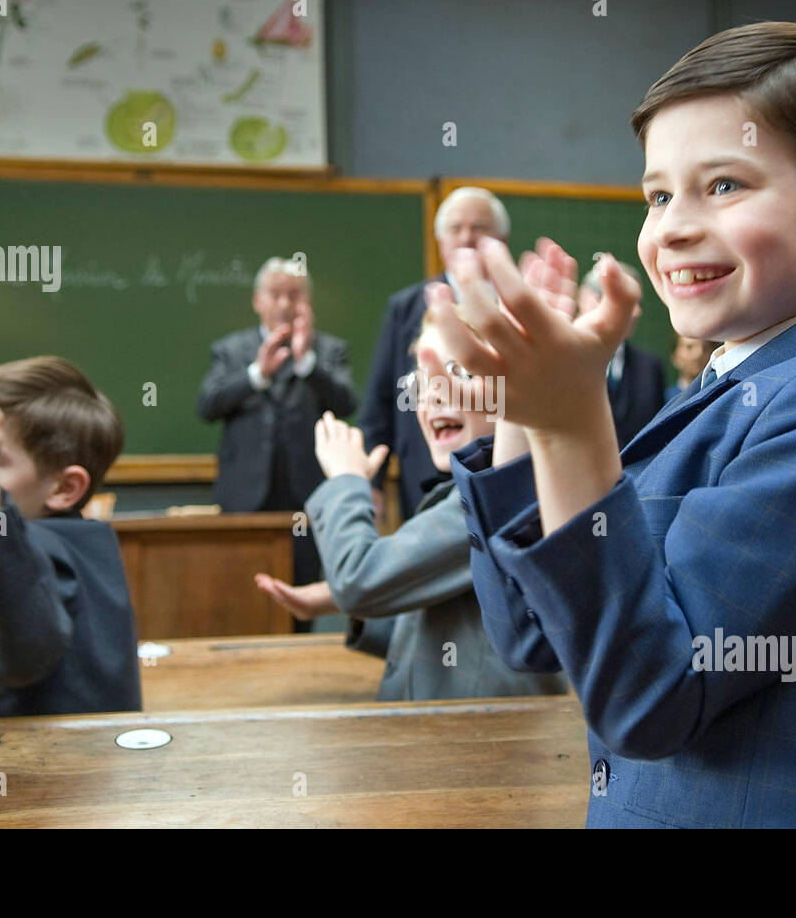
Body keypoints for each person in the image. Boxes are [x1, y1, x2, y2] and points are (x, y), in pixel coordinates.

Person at [433, 21, 796, 827]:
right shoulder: (726, 382)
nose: (670, 225)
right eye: (659, 194)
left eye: (725, 185)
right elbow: (533, 637)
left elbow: (650, 697)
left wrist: (572, 423)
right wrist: (525, 417)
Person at [253, 314, 568, 701]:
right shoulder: (466, 492)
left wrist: (347, 481)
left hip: (486, 747)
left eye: (459, 373)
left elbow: (358, 578)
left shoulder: (503, 498)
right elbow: (451, 633)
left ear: (513, 386)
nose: (433, 393)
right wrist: (344, 597)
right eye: (421, 381)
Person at [0, 356, 141, 721]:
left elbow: (16, 653)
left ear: (65, 488)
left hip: (12, 773)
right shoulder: (84, 544)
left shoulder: (50, 554)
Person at [197, 256, 356, 594]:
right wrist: (257, 375)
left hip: (307, 499)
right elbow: (207, 406)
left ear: (307, 302)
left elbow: (347, 404)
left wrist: (306, 363)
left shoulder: (328, 350)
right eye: (275, 294)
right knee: (239, 592)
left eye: (295, 294)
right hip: (244, 499)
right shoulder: (231, 350)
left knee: (301, 591)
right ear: (258, 301)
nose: (285, 303)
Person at [359, 187, 510, 522]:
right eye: (455, 228)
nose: (466, 237)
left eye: (479, 227)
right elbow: (381, 400)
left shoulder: (518, 306)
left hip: (500, 472)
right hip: (423, 474)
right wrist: (373, 482)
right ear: (441, 241)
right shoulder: (405, 308)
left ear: (502, 239)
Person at [578, 262, 665, 447]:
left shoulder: (650, 368)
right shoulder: (562, 361)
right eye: (626, 301)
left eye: (638, 302)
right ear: (592, 300)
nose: (637, 312)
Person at [664, 335, 720, 403]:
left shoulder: (720, 395)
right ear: (675, 357)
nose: (699, 354)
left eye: (705, 348)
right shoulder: (663, 400)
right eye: (689, 347)